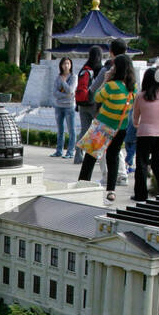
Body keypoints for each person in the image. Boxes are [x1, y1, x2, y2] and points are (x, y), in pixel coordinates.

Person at [78, 53, 136, 203]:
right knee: (113, 157)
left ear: (118, 68)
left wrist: (105, 79)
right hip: (120, 127)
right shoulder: (132, 88)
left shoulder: (111, 86)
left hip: (103, 126)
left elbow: (97, 97)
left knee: (90, 157)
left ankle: (82, 186)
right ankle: (111, 191)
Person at [131, 65, 159, 202]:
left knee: (142, 165)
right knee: (158, 163)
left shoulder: (140, 96)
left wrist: (140, 125)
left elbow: (135, 119)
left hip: (144, 134)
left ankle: (140, 195)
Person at [51, 57, 78, 158]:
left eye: (68, 63)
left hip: (69, 106)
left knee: (71, 130)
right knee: (60, 129)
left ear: (71, 65)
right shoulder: (58, 77)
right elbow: (55, 92)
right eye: (64, 64)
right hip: (58, 106)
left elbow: (71, 90)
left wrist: (63, 82)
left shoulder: (73, 77)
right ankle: (59, 151)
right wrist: (65, 95)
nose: (66, 66)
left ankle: (70, 152)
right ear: (61, 66)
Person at [74, 46, 102, 138]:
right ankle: (94, 152)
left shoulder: (84, 69)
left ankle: (78, 152)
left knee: (84, 130)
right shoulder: (99, 69)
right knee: (98, 129)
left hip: (82, 104)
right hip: (93, 104)